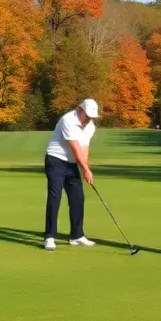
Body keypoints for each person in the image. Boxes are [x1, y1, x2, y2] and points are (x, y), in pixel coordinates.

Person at [43, 98, 100, 251]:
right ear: (79, 110)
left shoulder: (90, 126)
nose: (89, 120)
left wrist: (84, 168)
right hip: (55, 160)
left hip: (72, 164)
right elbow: (75, 148)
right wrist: (86, 170)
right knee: (55, 197)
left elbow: (84, 148)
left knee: (78, 197)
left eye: (91, 117)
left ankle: (77, 235)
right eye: (87, 116)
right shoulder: (67, 120)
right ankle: (50, 236)